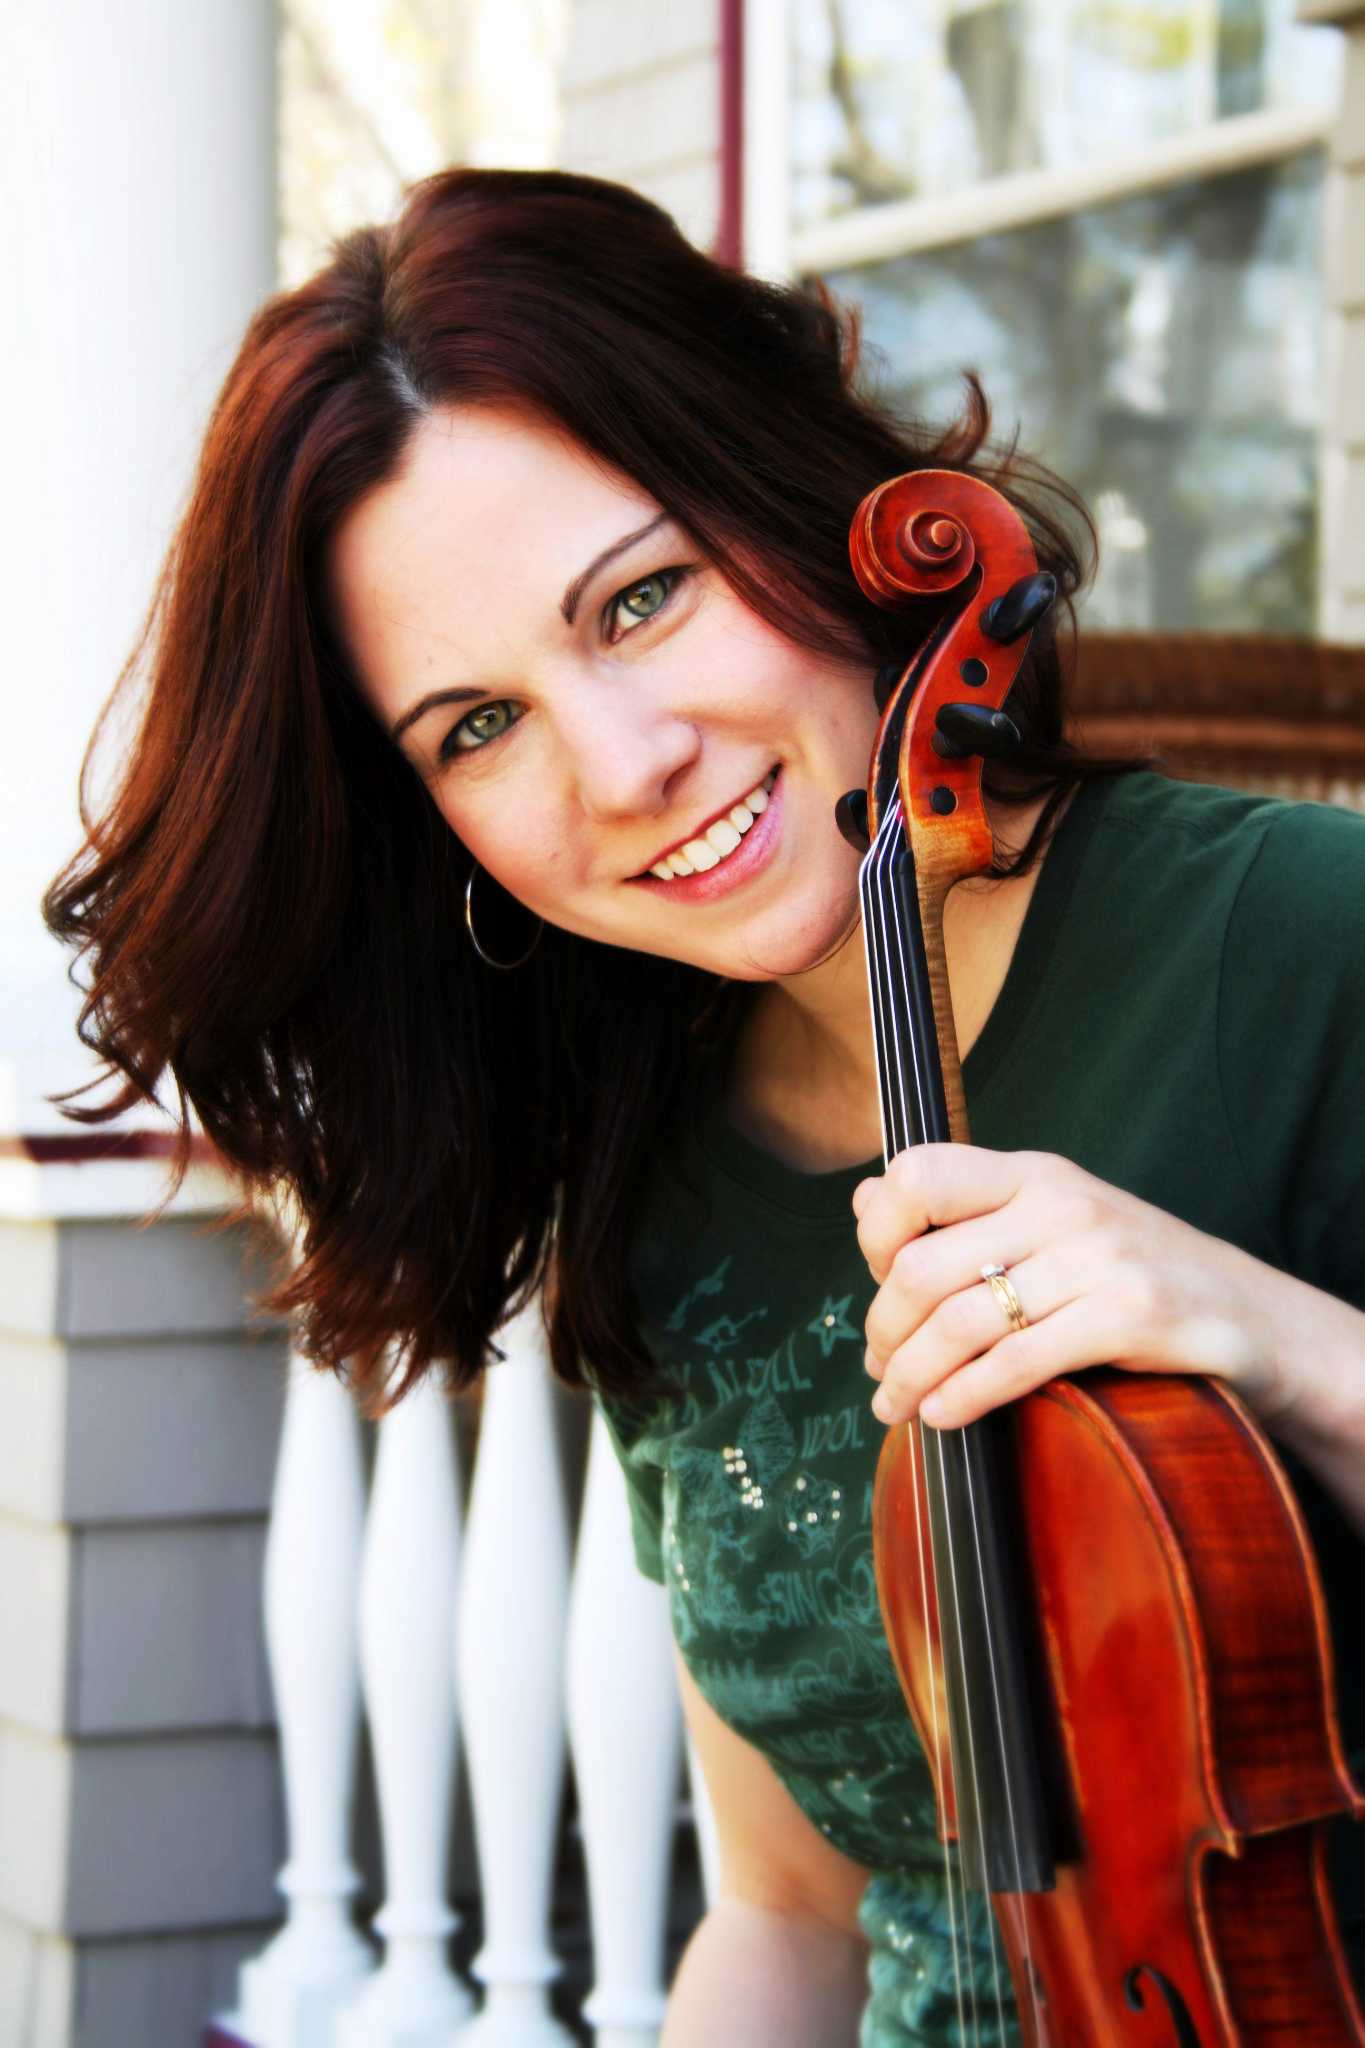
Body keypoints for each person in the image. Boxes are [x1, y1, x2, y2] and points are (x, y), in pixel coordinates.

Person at [45, 168, 1365, 2045]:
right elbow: (792, 1918)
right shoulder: (654, 1178)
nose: (625, 764)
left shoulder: (1302, 945)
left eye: (643, 598)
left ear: (784, 495)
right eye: (476, 726)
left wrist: (1283, 1345)